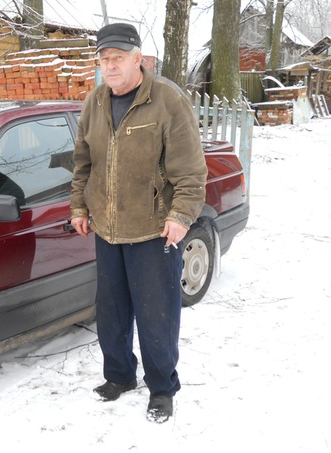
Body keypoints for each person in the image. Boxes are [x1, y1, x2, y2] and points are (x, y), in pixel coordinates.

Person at [70, 22, 208, 423]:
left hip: (154, 229)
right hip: (107, 228)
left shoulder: (167, 100)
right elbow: (83, 162)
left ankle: (162, 387)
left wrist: (180, 216)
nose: (110, 65)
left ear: (138, 59)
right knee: (111, 311)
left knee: (156, 315)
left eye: (118, 57)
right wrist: (79, 207)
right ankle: (119, 376)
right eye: (104, 59)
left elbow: (191, 170)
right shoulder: (95, 102)